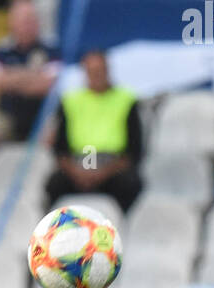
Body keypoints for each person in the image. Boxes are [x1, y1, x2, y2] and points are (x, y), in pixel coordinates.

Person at [44, 49, 142, 214]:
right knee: (53, 185)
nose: (96, 76)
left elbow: (134, 150)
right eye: (91, 71)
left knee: (129, 184)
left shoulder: (126, 100)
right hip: (78, 164)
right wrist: (78, 172)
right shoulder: (70, 101)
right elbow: (59, 149)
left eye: (100, 71)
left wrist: (100, 173)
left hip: (112, 166)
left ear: (107, 71)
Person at [0, 0, 60, 162]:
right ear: (12, 23)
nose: (29, 25)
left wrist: (11, 78)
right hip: (8, 115)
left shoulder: (50, 48)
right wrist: (31, 76)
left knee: (53, 137)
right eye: (24, 21)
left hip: (42, 115)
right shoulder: (2, 50)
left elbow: (47, 85)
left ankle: (40, 179)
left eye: (32, 20)